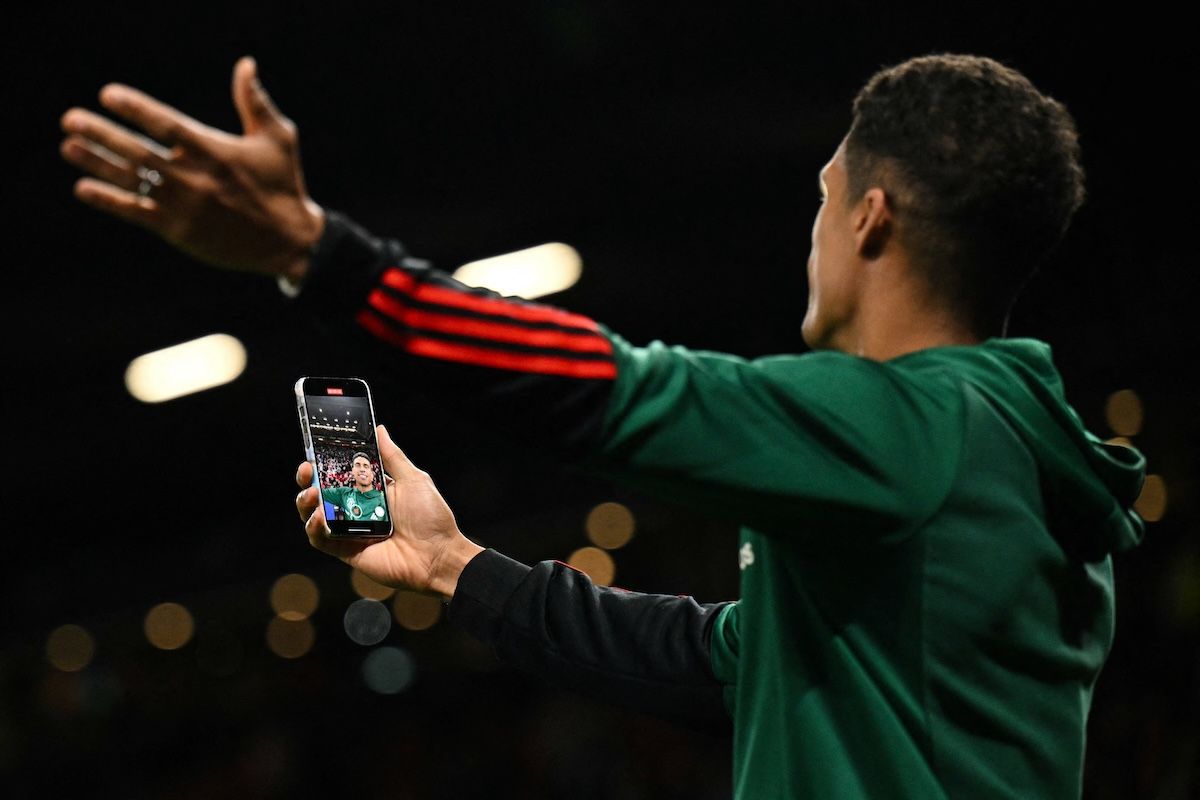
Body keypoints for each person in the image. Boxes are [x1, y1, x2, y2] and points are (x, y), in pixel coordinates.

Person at [61, 53, 1147, 798]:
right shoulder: (1006, 457)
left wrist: (315, 252)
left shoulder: (921, 423)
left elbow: (605, 387)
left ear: (870, 215)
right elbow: (713, 660)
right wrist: (452, 564)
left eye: (822, 197)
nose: (810, 231)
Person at [319, 451, 387, 521]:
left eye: (366, 466)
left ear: (372, 474)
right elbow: (318, 492)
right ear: (352, 471)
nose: (362, 469)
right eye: (357, 465)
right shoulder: (344, 493)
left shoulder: (384, 499)